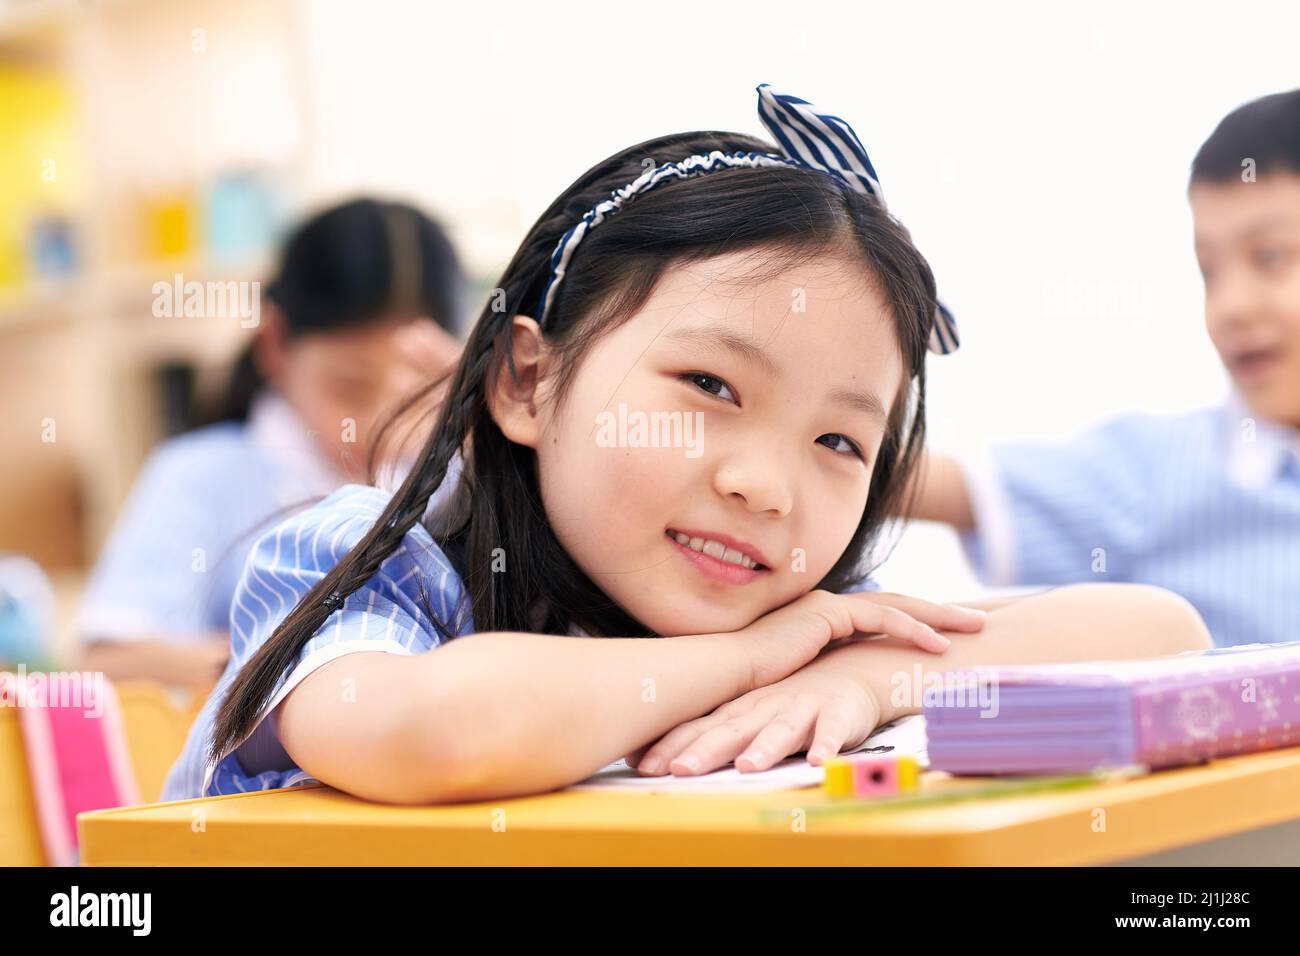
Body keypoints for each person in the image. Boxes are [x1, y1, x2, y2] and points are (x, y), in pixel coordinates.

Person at [163, 85, 1209, 805]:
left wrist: (873, 677)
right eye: (709, 385)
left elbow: (1157, 631)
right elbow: (434, 731)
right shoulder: (376, 558)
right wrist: (750, 660)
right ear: (528, 380)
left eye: (839, 439)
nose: (765, 484)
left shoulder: (790, 615)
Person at [909, 89, 1300, 648]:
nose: (1231, 306)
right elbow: (933, 483)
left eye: (1271, 257)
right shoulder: (1158, 474)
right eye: (1208, 271)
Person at [76, 198, 466, 689]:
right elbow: (107, 661)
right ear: (275, 343)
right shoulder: (203, 474)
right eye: (349, 388)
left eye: (419, 397)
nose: (378, 424)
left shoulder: (465, 473)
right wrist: (305, 672)